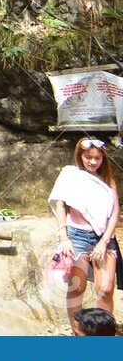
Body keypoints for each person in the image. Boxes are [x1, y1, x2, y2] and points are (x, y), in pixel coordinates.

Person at [49, 137, 119, 324]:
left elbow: (115, 211)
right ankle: (78, 332)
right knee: (76, 288)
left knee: (105, 289)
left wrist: (104, 241)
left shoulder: (106, 179)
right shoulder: (70, 175)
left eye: (97, 158)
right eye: (89, 157)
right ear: (81, 156)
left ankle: (103, 333)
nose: (93, 162)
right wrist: (63, 236)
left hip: (103, 237)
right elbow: (61, 204)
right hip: (77, 235)